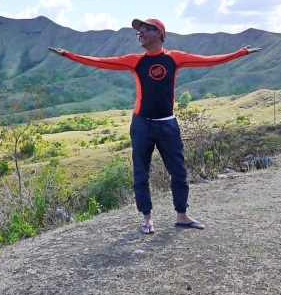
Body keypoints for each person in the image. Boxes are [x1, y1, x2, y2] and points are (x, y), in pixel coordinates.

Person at [48, 18, 261, 234]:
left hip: (168, 124)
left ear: (159, 33)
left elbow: (209, 60)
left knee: (178, 171)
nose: (140, 34)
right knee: (141, 172)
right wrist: (68, 54)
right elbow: (101, 61)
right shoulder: (134, 60)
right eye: (138, 32)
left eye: (145, 30)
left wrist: (241, 52)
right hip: (142, 124)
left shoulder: (174, 58)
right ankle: (147, 219)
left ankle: (182, 216)